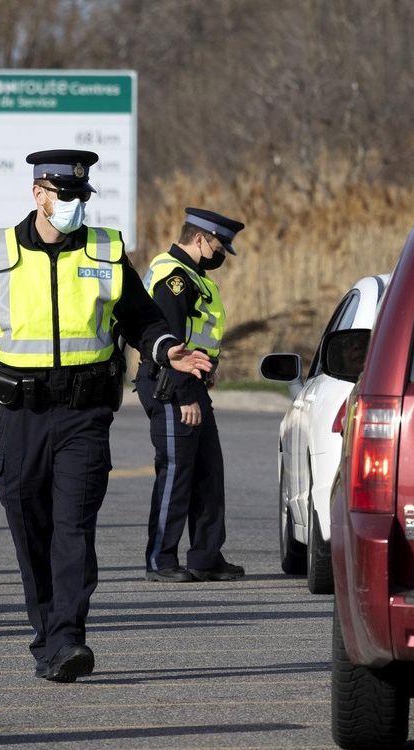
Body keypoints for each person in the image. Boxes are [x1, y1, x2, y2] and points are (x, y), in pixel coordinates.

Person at [0, 149, 211, 683]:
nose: (75, 207)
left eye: (82, 197)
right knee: (30, 524)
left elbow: (142, 319)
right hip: (19, 414)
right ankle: (47, 635)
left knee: (74, 527)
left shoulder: (107, 250)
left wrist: (167, 349)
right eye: (65, 196)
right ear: (38, 194)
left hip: (84, 412)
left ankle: (67, 638)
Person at [137, 208, 247, 583]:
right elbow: (169, 341)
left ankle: (205, 555)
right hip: (170, 385)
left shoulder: (193, 276)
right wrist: (184, 394)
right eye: (218, 246)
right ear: (199, 239)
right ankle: (161, 560)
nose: (221, 255)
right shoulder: (174, 278)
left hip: (191, 383)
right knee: (176, 473)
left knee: (207, 471)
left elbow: (196, 334)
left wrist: (207, 368)